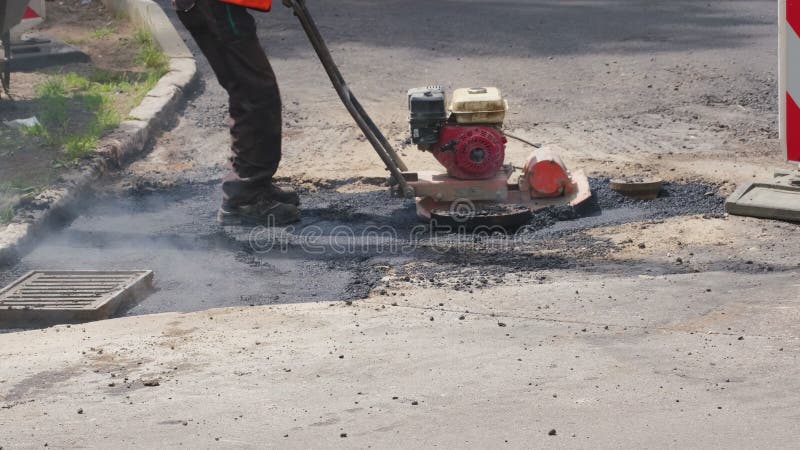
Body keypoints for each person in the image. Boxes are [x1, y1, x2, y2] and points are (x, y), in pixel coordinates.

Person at [174, 0, 301, 226]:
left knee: (245, 89)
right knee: (256, 93)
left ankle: (252, 185)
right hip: (217, 5)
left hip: (209, 6)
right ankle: (245, 198)